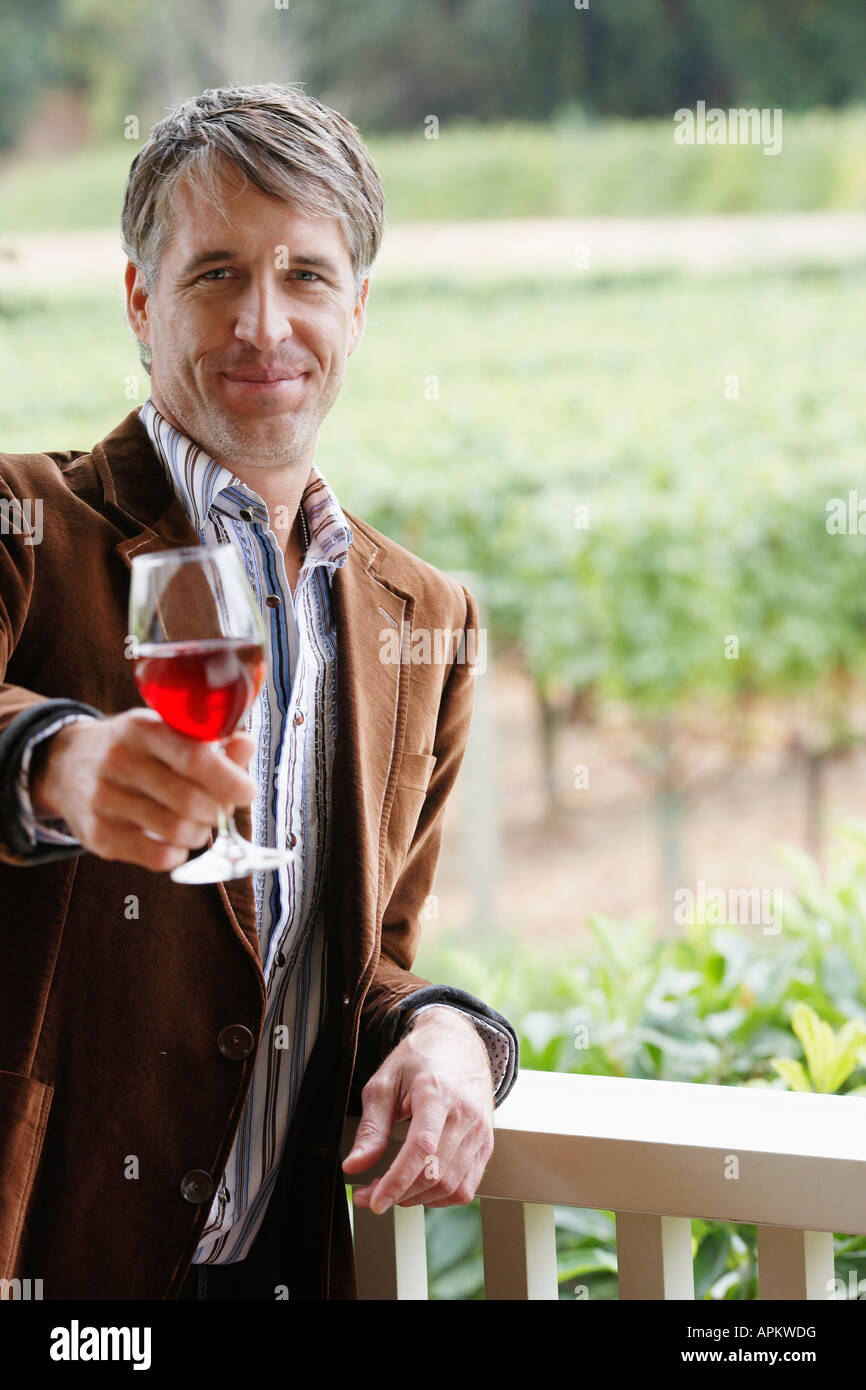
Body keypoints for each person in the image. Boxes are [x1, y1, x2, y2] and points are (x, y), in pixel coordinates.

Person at [0, 82, 518, 1301]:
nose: (263, 323)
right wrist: (58, 764)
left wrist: (449, 1032)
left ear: (358, 305)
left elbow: (364, 953)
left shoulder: (425, 621)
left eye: (306, 276)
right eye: (215, 272)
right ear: (140, 299)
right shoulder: (23, 527)